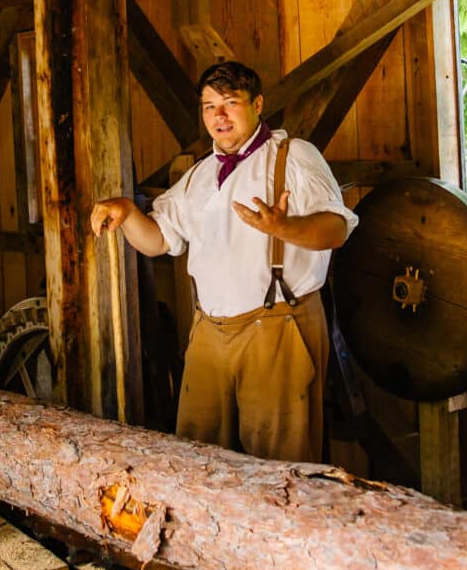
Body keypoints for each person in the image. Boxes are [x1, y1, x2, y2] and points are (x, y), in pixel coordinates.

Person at [89, 61, 355, 462]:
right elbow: (158, 240)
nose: (219, 115)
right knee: (199, 464)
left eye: (230, 103)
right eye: (209, 106)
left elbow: (336, 229)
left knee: (279, 470)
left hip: (277, 329)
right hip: (208, 337)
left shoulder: (293, 156)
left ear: (258, 104)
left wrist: (283, 227)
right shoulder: (199, 176)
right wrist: (127, 213)